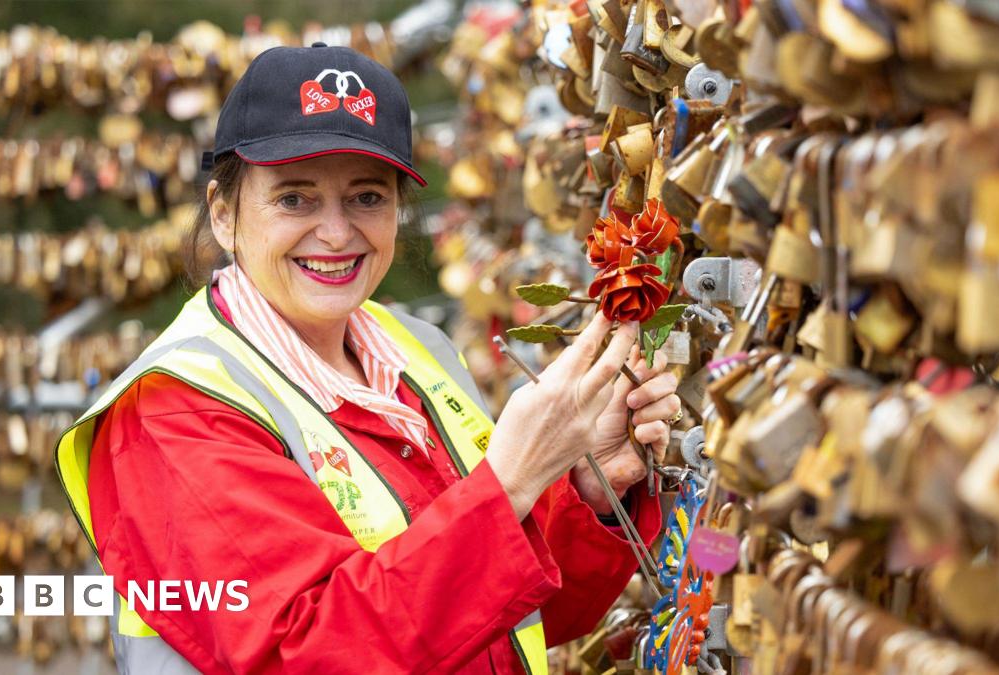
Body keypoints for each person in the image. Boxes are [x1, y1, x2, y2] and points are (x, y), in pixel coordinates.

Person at [55, 43, 683, 674]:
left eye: (366, 197)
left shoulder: (412, 348)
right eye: (294, 199)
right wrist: (511, 482)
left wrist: (590, 487)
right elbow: (307, 655)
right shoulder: (173, 412)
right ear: (224, 214)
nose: (336, 232)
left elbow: (506, 615)